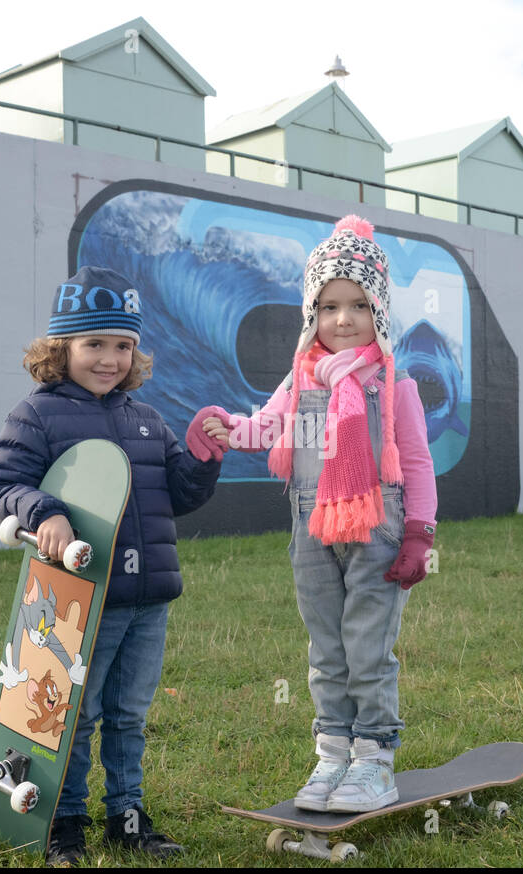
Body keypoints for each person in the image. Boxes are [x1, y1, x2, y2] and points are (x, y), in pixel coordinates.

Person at [185, 216, 437, 813]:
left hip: (379, 529)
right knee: (326, 648)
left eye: (357, 304)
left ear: (379, 308)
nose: (342, 319)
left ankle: (374, 760)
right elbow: (265, 426)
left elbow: (419, 463)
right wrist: (224, 428)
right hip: (310, 530)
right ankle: (332, 755)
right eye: (328, 306)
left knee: (367, 647)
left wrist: (420, 534)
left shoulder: (391, 383)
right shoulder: (299, 381)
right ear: (311, 314)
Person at [0, 266, 221, 865]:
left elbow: (181, 494)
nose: (110, 359)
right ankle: (63, 822)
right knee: (74, 717)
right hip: (80, 599)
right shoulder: (36, 415)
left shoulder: (146, 418)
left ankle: (128, 814)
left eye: (123, 345)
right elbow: (1, 484)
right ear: (61, 348)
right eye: (94, 344)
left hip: (149, 598)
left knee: (130, 715)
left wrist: (203, 455)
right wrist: (44, 513)